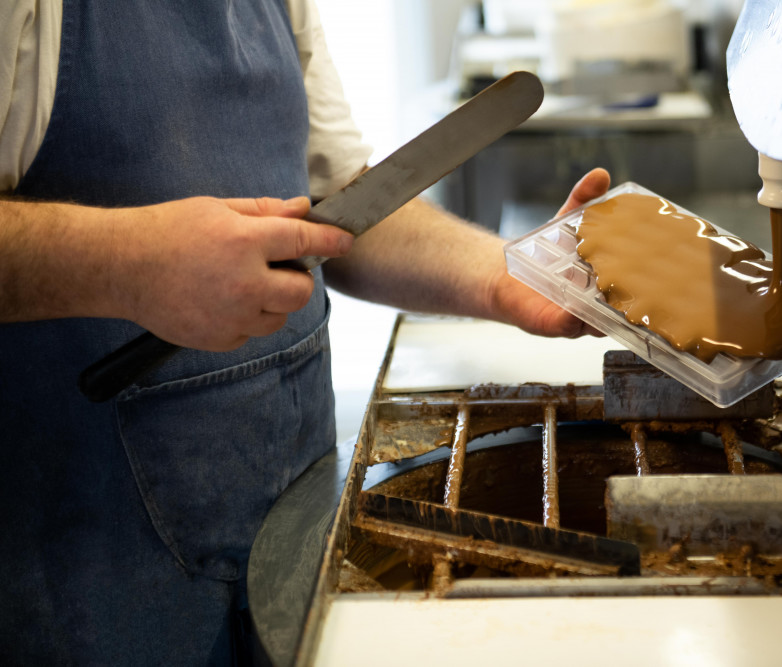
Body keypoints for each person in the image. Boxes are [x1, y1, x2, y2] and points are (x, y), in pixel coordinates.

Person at [0, 0, 610, 664]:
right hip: (82, 562)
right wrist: (125, 262)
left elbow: (340, 209)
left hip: (293, 530)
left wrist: (504, 278)